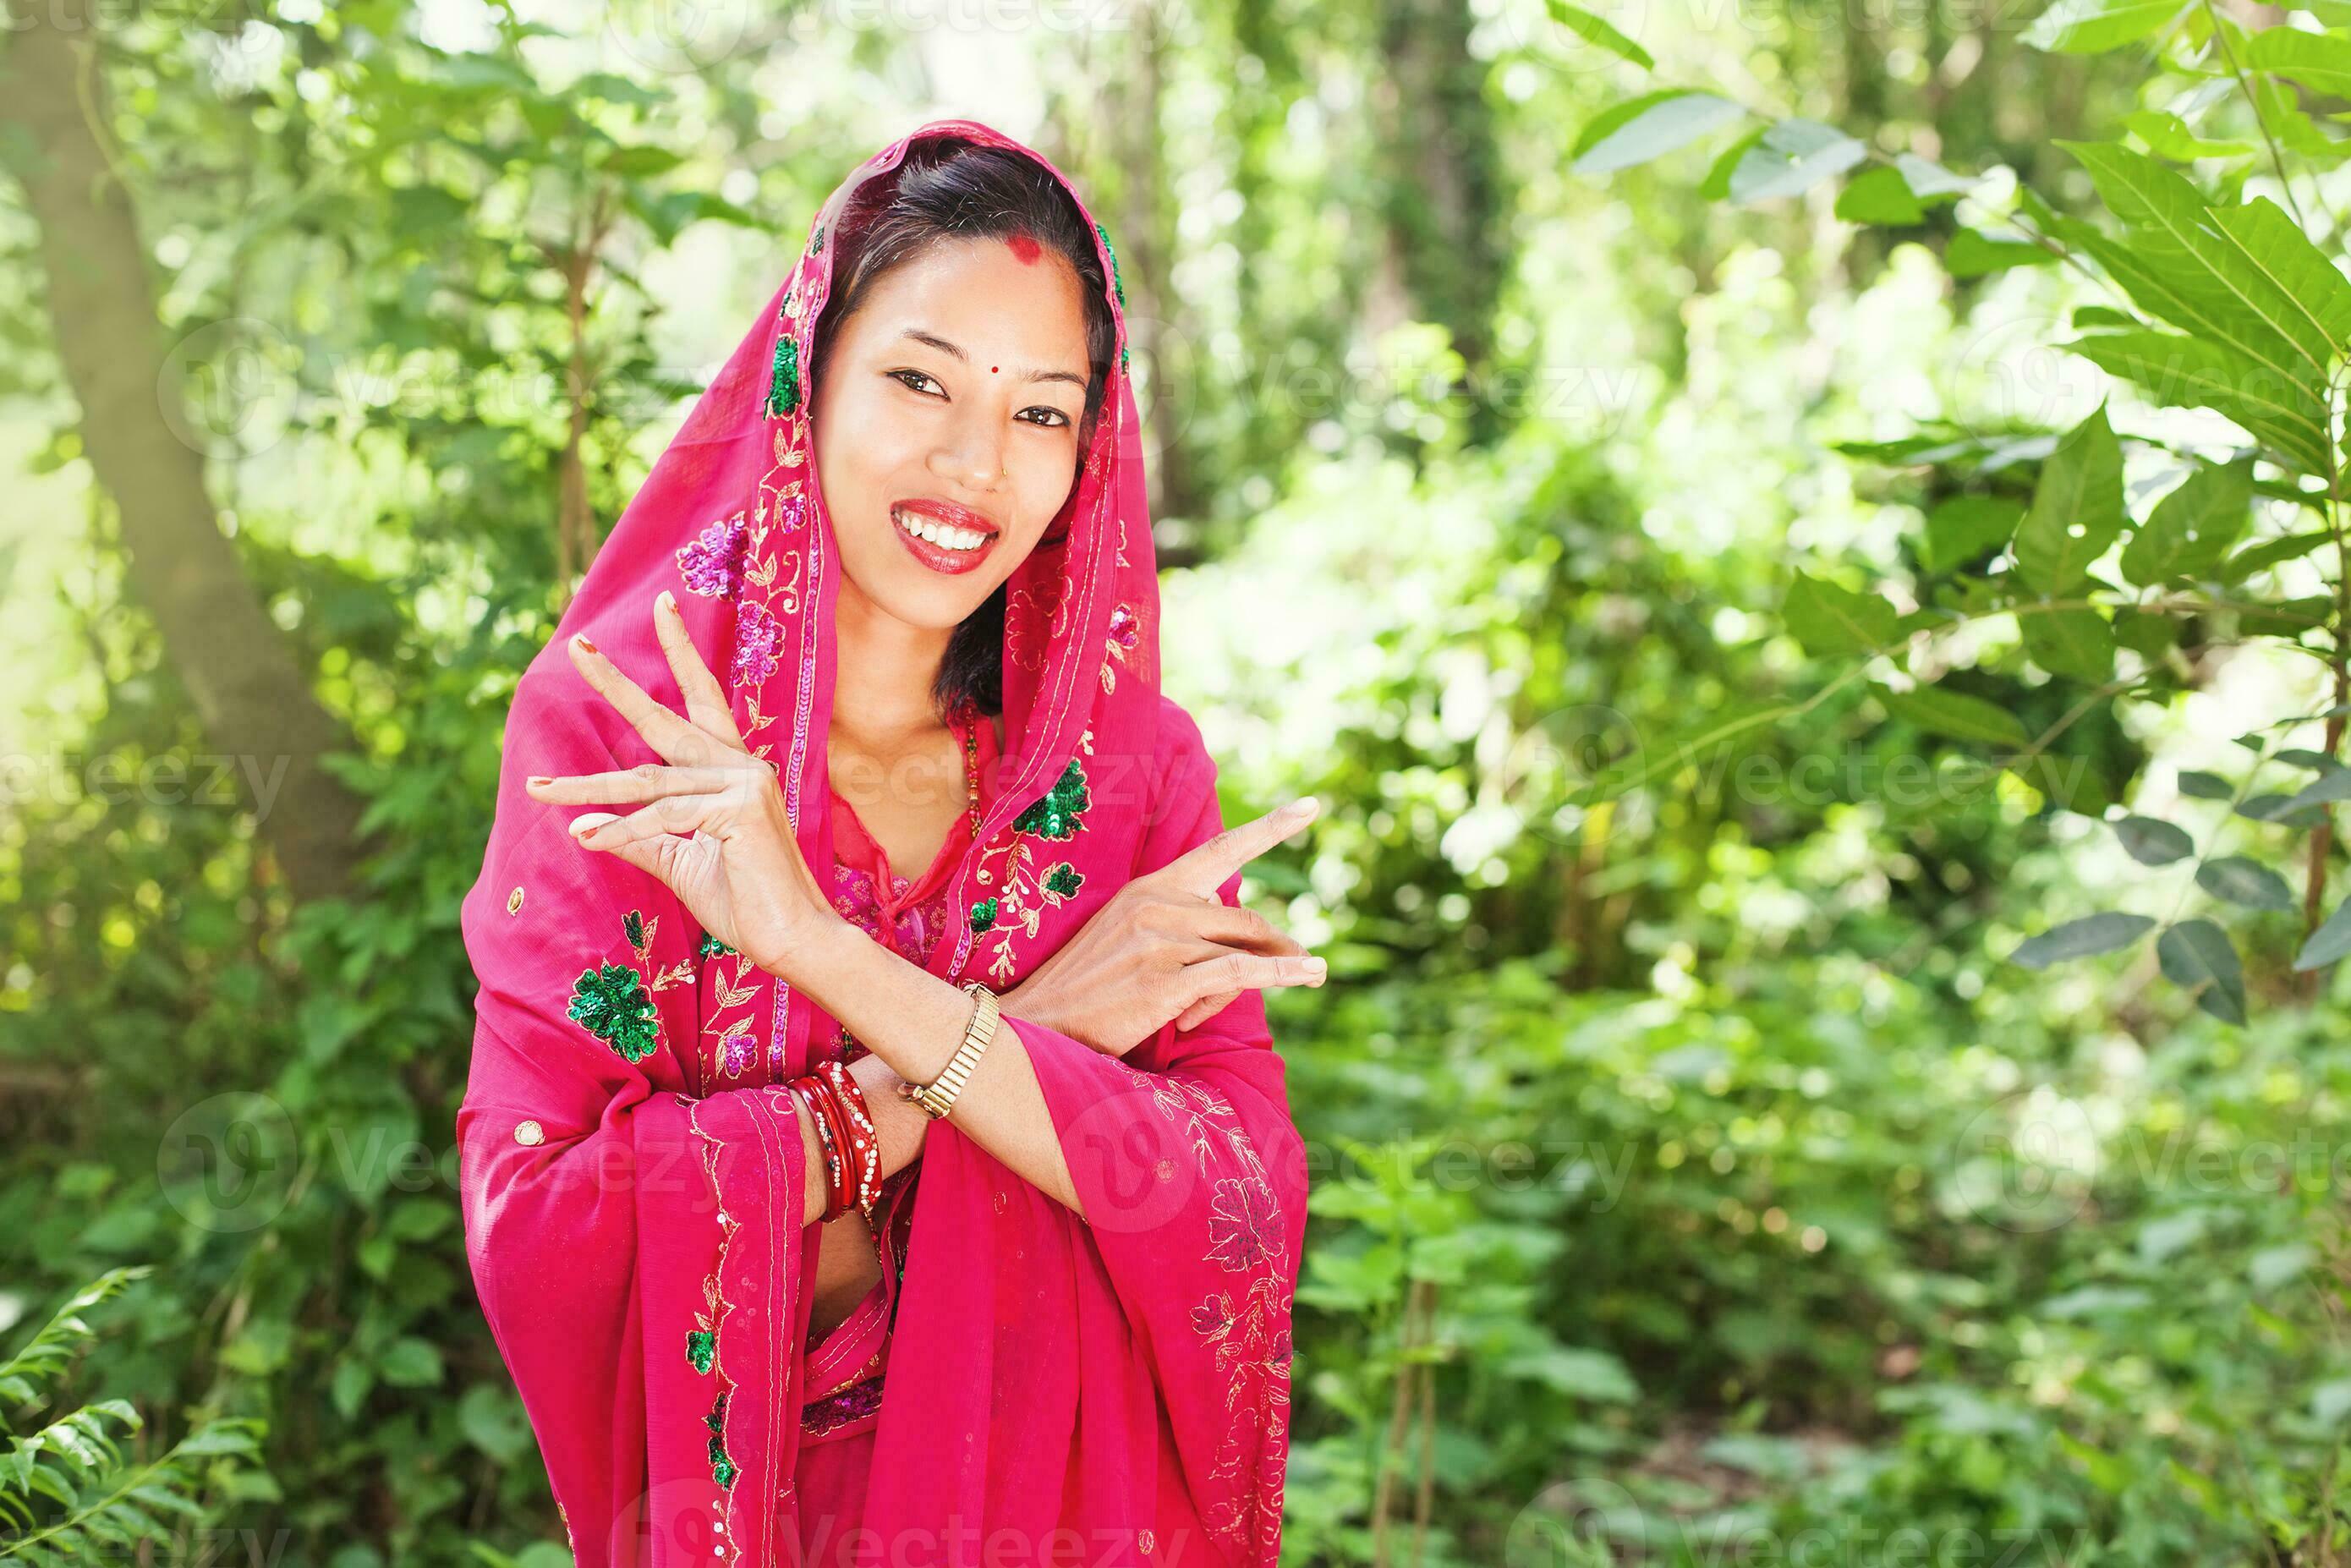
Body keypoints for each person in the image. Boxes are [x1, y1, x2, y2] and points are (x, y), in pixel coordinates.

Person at [455, 119, 1322, 1568]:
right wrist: (1035, 1040)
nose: (976, 463)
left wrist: (823, 994)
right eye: (919, 379)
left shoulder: (1130, 779)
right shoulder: (630, 740)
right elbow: (549, 1238)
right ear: (809, 374)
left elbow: (1235, 1202)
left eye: (1043, 412)